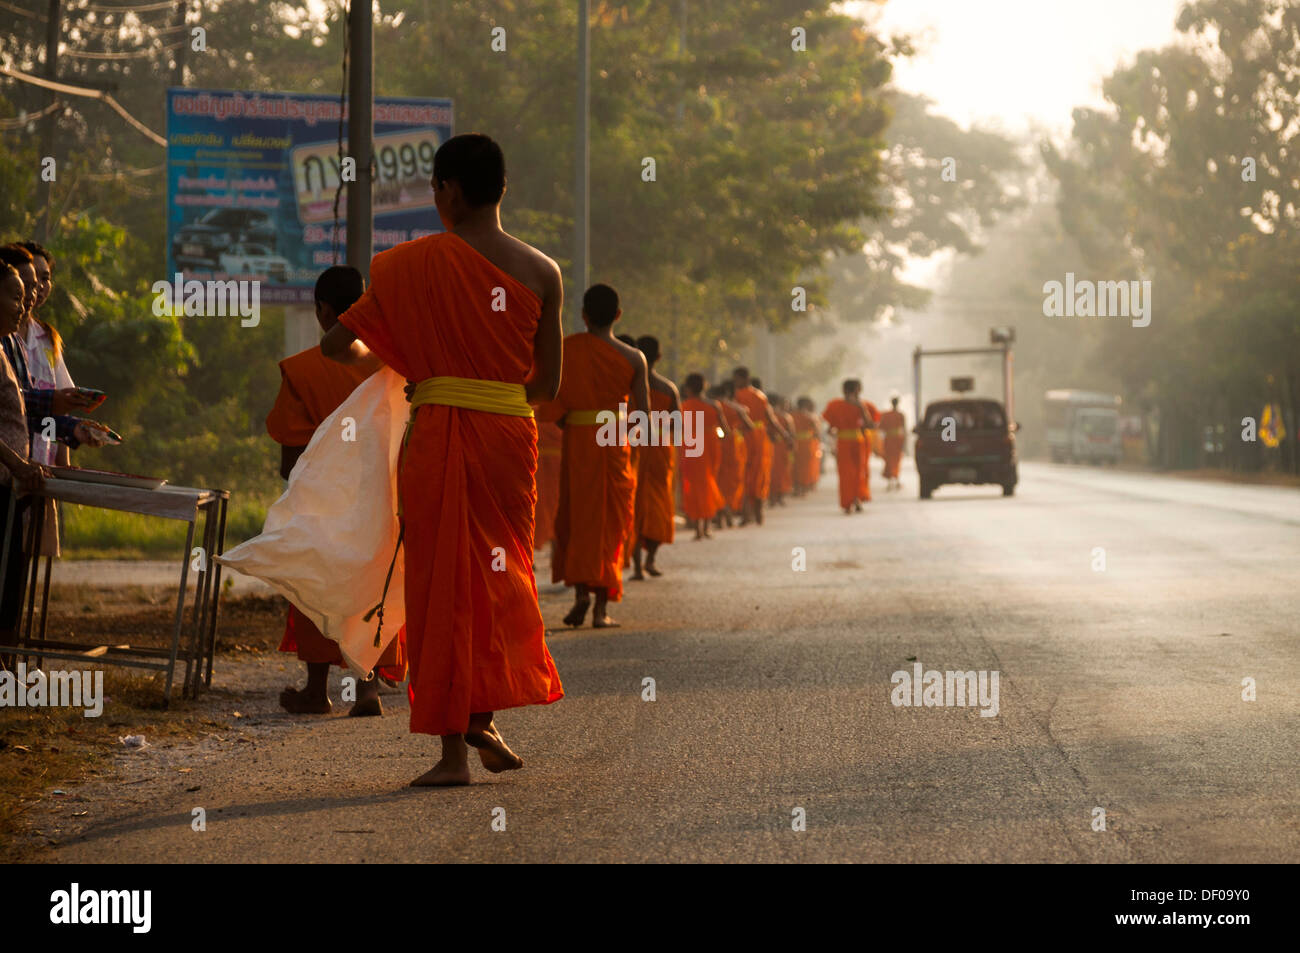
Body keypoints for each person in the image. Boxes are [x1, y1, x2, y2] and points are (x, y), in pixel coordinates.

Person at [321, 132, 564, 787]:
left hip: (438, 435)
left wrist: (415, 366)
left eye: (434, 189)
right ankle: (482, 710)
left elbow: (336, 344)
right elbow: (547, 387)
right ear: (501, 189)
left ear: (448, 190)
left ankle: (454, 751)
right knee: (499, 575)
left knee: (441, 583)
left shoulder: (409, 266)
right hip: (510, 439)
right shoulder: (543, 272)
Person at [267, 266, 406, 717]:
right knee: (372, 586)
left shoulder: (303, 369)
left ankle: (317, 690)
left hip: (324, 501)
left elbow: (291, 457)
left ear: (323, 311)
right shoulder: (391, 364)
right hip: (380, 496)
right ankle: (366, 689)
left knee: (316, 583)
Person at [538, 284, 648, 628]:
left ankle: (581, 594)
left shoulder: (566, 349)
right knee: (611, 521)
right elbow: (642, 415)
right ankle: (601, 609)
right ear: (618, 315)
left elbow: (548, 400)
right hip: (614, 441)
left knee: (577, 515)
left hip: (579, 442)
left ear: (584, 315)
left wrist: (573, 416)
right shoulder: (633, 357)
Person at [0, 246, 106, 457]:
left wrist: (74, 429)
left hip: (28, 469)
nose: (33, 293)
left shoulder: (31, 341)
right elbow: (16, 406)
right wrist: (52, 401)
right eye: (19, 292)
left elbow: (28, 414)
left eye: (40, 281)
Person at [0, 263, 49, 669]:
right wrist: (16, 462)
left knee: (10, 585)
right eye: (15, 296)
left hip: (10, 485)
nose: (23, 305)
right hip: (4, 479)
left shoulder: (2, 345)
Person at [631, 335, 678, 579]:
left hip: (634, 448)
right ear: (659, 357)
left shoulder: (628, 384)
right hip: (660, 450)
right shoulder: (668, 389)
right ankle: (650, 560)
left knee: (634, 503)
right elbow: (677, 426)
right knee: (659, 504)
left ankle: (637, 565)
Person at [732, 366, 793, 526]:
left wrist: (784, 433)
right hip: (759, 436)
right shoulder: (759, 396)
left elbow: (770, 418)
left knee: (751, 475)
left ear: (745, 378)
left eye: (737, 379)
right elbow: (771, 419)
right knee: (757, 475)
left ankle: (752, 513)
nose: (735, 382)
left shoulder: (740, 396)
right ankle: (753, 513)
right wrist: (784, 433)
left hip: (747, 436)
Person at [679, 373, 727, 539]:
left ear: (689, 388)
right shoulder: (714, 405)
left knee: (694, 484)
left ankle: (698, 527)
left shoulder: (684, 406)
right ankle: (706, 526)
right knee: (709, 482)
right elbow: (725, 430)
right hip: (711, 446)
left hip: (692, 445)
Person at [823, 378, 877, 514]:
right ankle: (848, 502)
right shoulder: (835, 405)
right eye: (857, 389)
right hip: (844, 443)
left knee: (859, 472)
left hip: (858, 443)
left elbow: (870, 425)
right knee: (846, 473)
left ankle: (857, 499)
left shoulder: (863, 405)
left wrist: (861, 408)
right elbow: (831, 427)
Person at [792, 396, 823, 495]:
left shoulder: (791, 415)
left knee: (795, 466)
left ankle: (797, 487)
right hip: (808, 444)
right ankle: (803, 487)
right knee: (806, 466)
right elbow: (817, 432)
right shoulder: (811, 417)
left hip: (795, 443)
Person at [879, 395, 907, 491]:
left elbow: (881, 427)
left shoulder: (885, 415)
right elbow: (904, 429)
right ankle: (895, 479)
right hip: (897, 439)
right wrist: (905, 443)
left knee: (890, 460)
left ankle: (891, 480)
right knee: (896, 460)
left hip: (889, 439)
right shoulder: (901, 415)